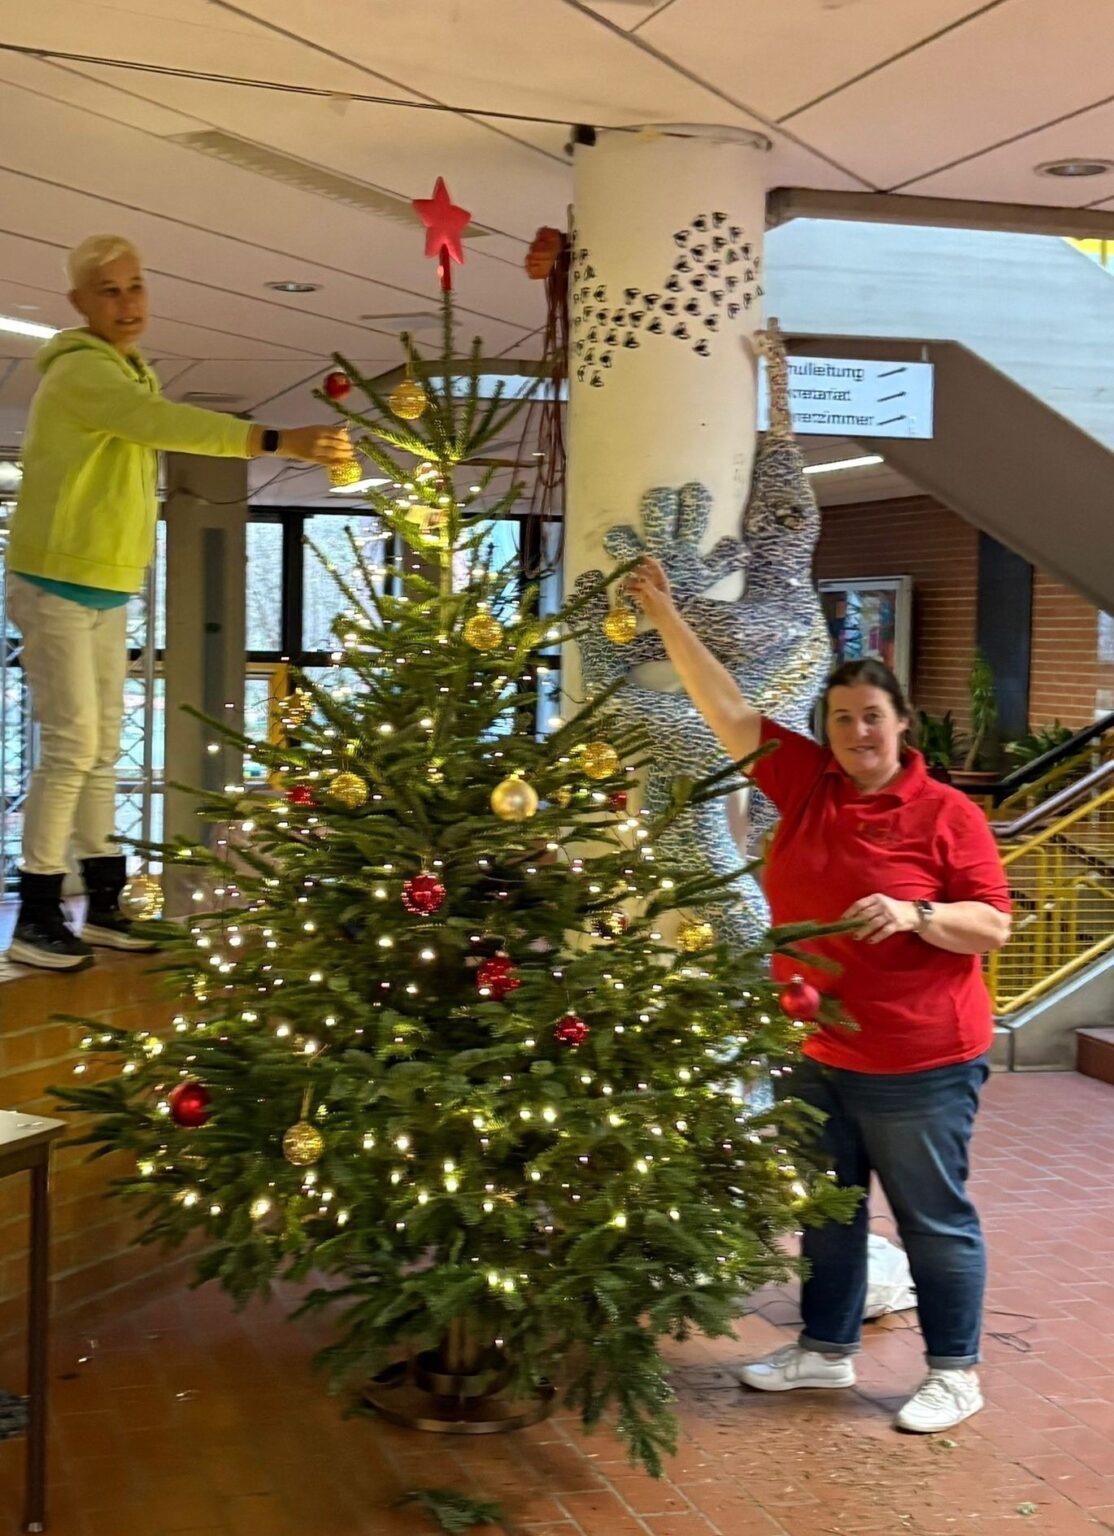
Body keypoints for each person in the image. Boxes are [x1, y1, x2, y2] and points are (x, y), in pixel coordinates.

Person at [624, 556, 1011, 1435]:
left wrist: (917, 914)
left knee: (932, 1220)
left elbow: (992, 925)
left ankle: (954, 1372)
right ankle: (825, 1349)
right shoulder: (806, 783)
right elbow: (725, 707)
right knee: (826, 1211)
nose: (857, 732)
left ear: (902, 722)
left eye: (872, 716)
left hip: (918, 1061)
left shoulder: (948, 814)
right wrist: (664, 612)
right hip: (815, 1048)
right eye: (841, 719)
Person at [4, 234, 351, 972]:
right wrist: (275, 438)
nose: (127, 303)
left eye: (135, 286)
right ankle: (36, 910)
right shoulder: (82, 373)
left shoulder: (131, 370)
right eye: (109, 290)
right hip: (55, 580)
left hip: (105, 582)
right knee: (72, 744)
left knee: (101, 748)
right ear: (78, 303)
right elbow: (164, 425)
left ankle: (102, 901)